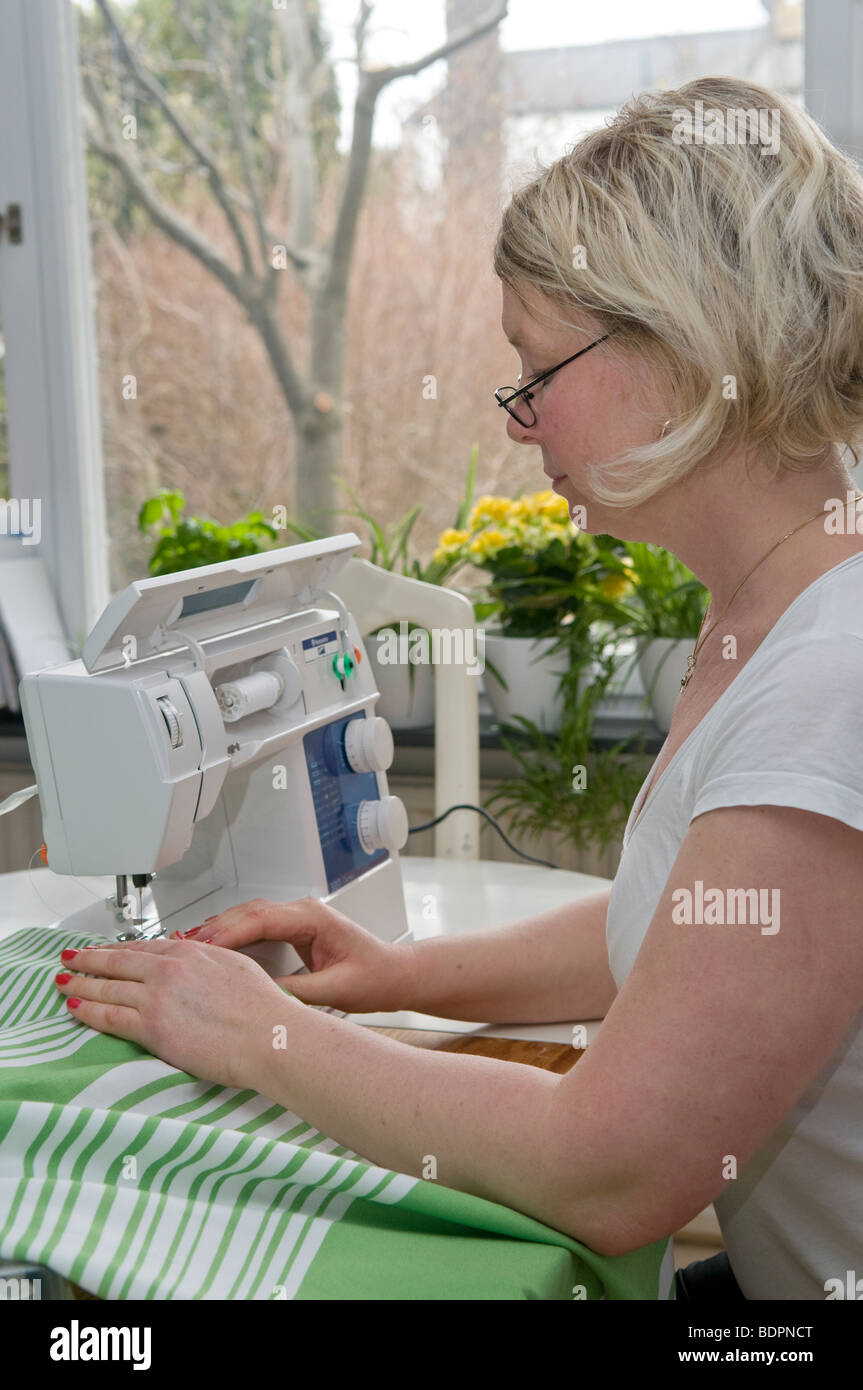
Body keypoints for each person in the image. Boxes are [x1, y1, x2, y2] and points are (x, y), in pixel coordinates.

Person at [54, 76, 863, 1301]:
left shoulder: (827, 679)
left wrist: (260, 1035)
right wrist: (396, 975)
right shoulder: (779, 600)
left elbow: (610, 1167)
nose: (518, 426)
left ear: (682, 345)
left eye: (533, 371)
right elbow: (690, 935)